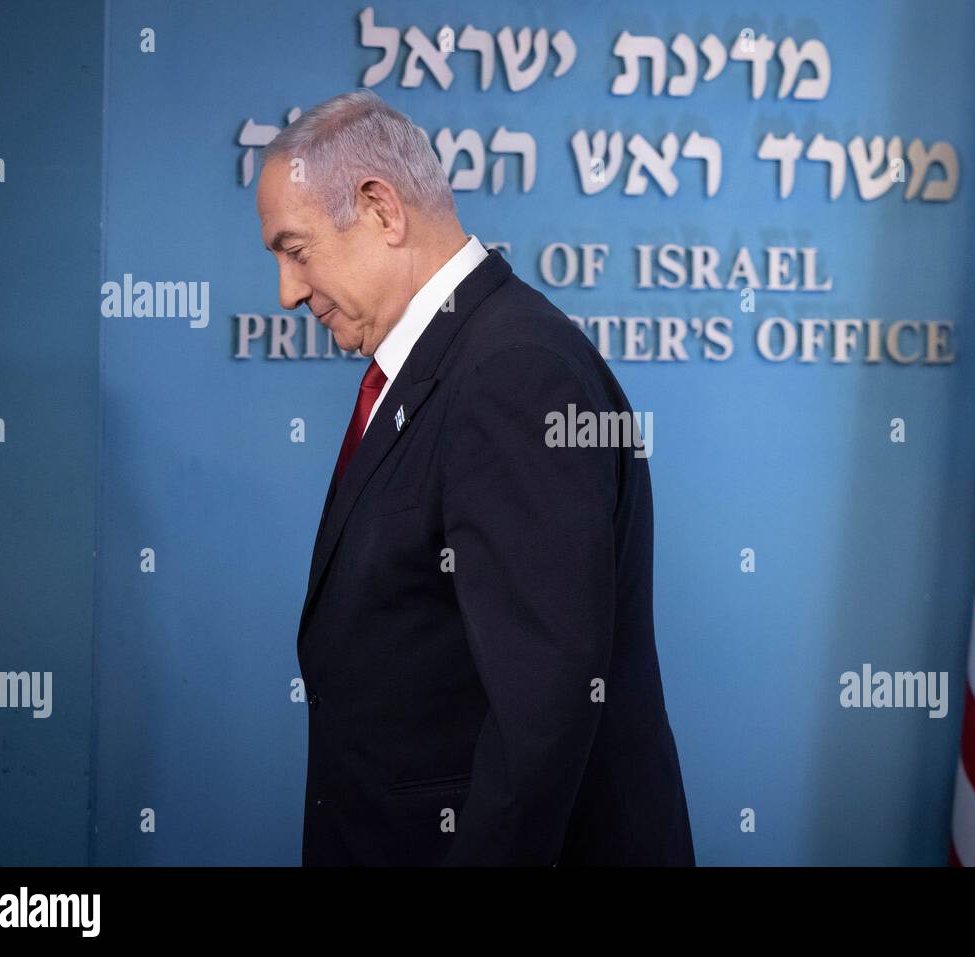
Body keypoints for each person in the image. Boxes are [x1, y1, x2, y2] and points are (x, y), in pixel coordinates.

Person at [255, 90, 695, 865]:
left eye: (296, 250)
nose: (288, 292)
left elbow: (544, 708)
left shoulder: (513, 374)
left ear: (381, 209)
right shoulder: (455, 359)